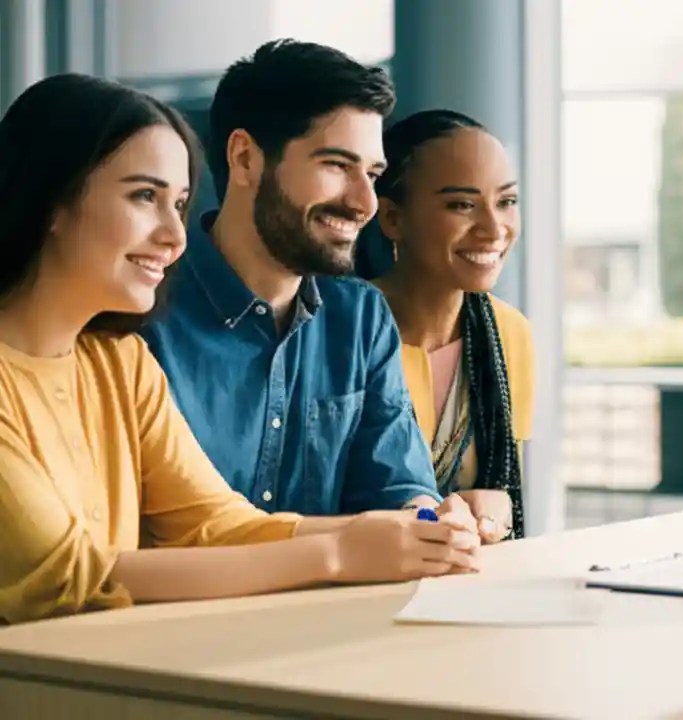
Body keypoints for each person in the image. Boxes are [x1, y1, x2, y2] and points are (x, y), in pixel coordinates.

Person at [0, 74, 478, 625]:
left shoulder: (119, 362)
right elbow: (74, 579)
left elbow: (212, 522)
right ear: (51, 200)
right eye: (143, 197)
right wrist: (339, 551)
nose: (174, 237)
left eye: (178, 204)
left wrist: (405, 534)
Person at [141, 40, 468, 525]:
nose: (365, 203)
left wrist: (430, 522)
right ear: (246, 158)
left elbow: (397, 486)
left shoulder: (361, 318)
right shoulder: (143, 314)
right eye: (336, 165)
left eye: (372, 173)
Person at [356, 110, 532, 541]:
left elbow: (505, 493)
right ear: (393, 218)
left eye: (506, 202)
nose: (494, 229)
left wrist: (494, 511)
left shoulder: (510, 334)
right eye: (462, 205)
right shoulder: (339, 332)